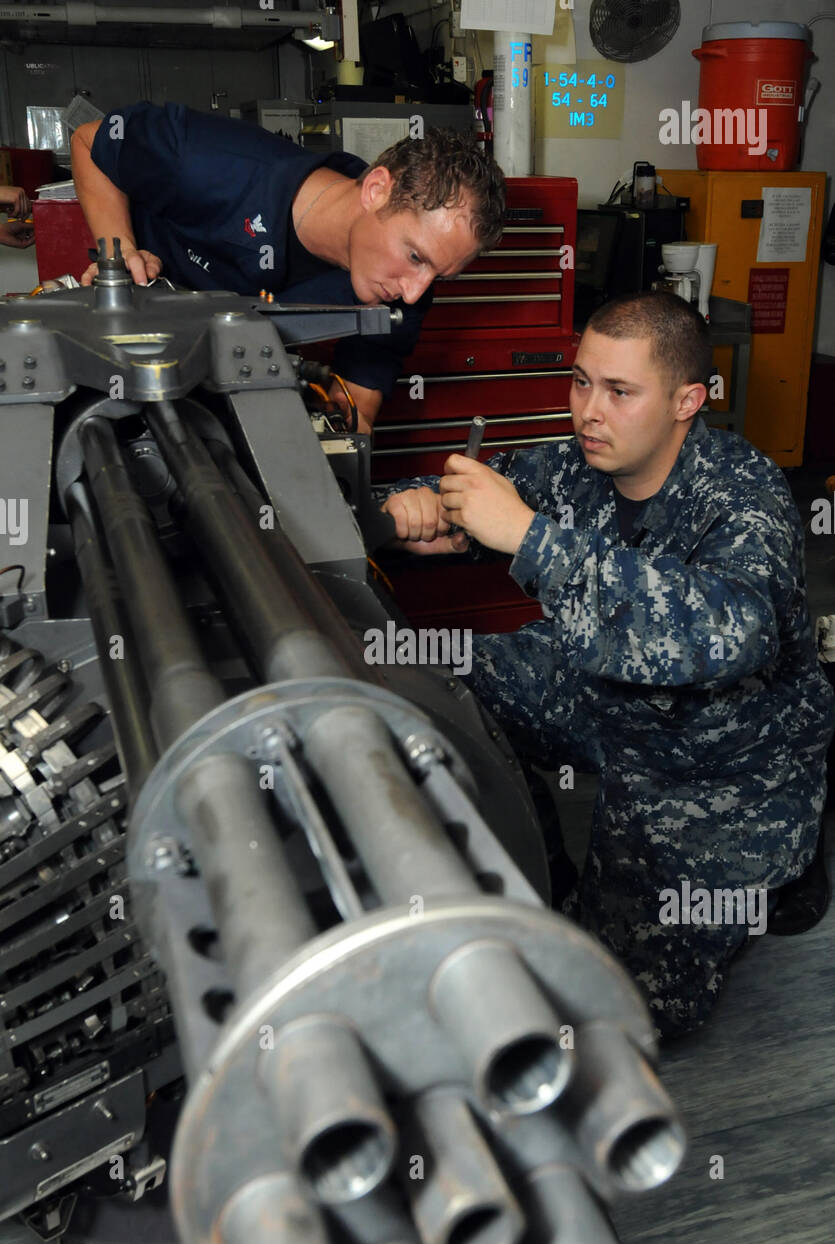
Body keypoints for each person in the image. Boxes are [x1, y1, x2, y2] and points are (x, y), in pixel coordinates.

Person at [380, 291, 835, 1038]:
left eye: (619, 391)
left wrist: (529, 539)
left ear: (687, 400)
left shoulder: (742, 491)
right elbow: (480, 491)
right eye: (580, 380)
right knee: (434, 687)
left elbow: (732, 632)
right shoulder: (575, 465)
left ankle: (786, 847)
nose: (588, 410)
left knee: (621, 1013)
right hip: (602, 694)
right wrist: (422, 510)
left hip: (714, 760)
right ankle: (547, 877)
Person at [70, 104, 504, 432]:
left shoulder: (403, 288)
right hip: (120, 373)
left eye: (438, 277)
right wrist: (121, 249)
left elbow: (356, 403)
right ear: (375, 190)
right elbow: (91, 141)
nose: (414, 293)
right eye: (415, 256)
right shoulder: (207, 162)